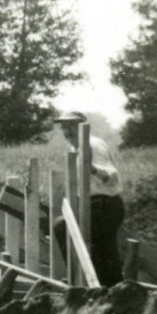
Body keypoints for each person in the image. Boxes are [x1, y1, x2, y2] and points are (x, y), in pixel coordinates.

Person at [53, 111, 125, 287]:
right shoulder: (75, 148)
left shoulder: (92, 144)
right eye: (64, 128)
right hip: (97, 205)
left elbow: (111, 177)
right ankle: (109, 289)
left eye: (71, 127)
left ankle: (79, 280)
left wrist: (92, 168)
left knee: (62, 226)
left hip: (104, 205)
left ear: (82, 126)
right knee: (105, 253)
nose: (67, 132)